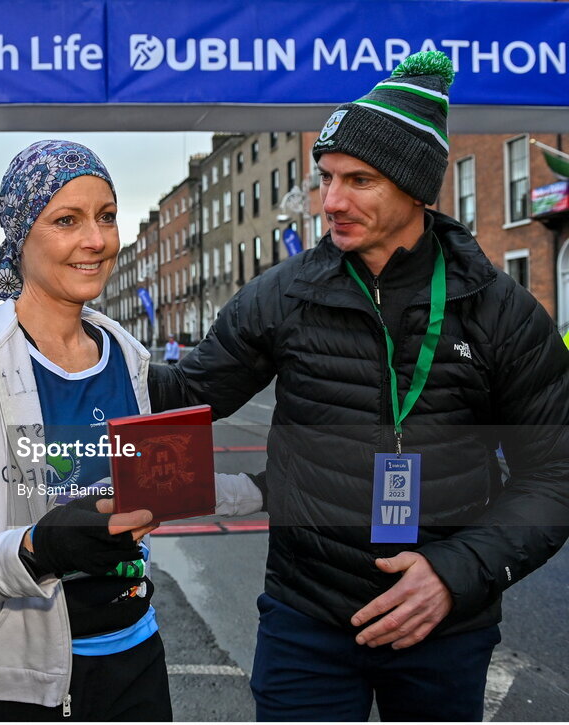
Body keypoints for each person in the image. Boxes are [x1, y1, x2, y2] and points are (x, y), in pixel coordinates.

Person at [150, 51, 569, 721]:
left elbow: (553, 474)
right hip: (306, 619)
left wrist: (457, 572)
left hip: (444, 628)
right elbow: (181, 395)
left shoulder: (500, 311)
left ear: (415, 187)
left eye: (359, 179)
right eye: (326, 178)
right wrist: (72, 337)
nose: (332, 201)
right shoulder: (283, 295)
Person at [0, 140, 262, 720]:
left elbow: (154, 489)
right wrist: (43, 548)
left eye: (106, 216)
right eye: (66, 220)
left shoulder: (126, 354)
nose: (96, 241)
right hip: (29, 681)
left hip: (136, 652)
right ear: (20, 235)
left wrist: (263, 488)